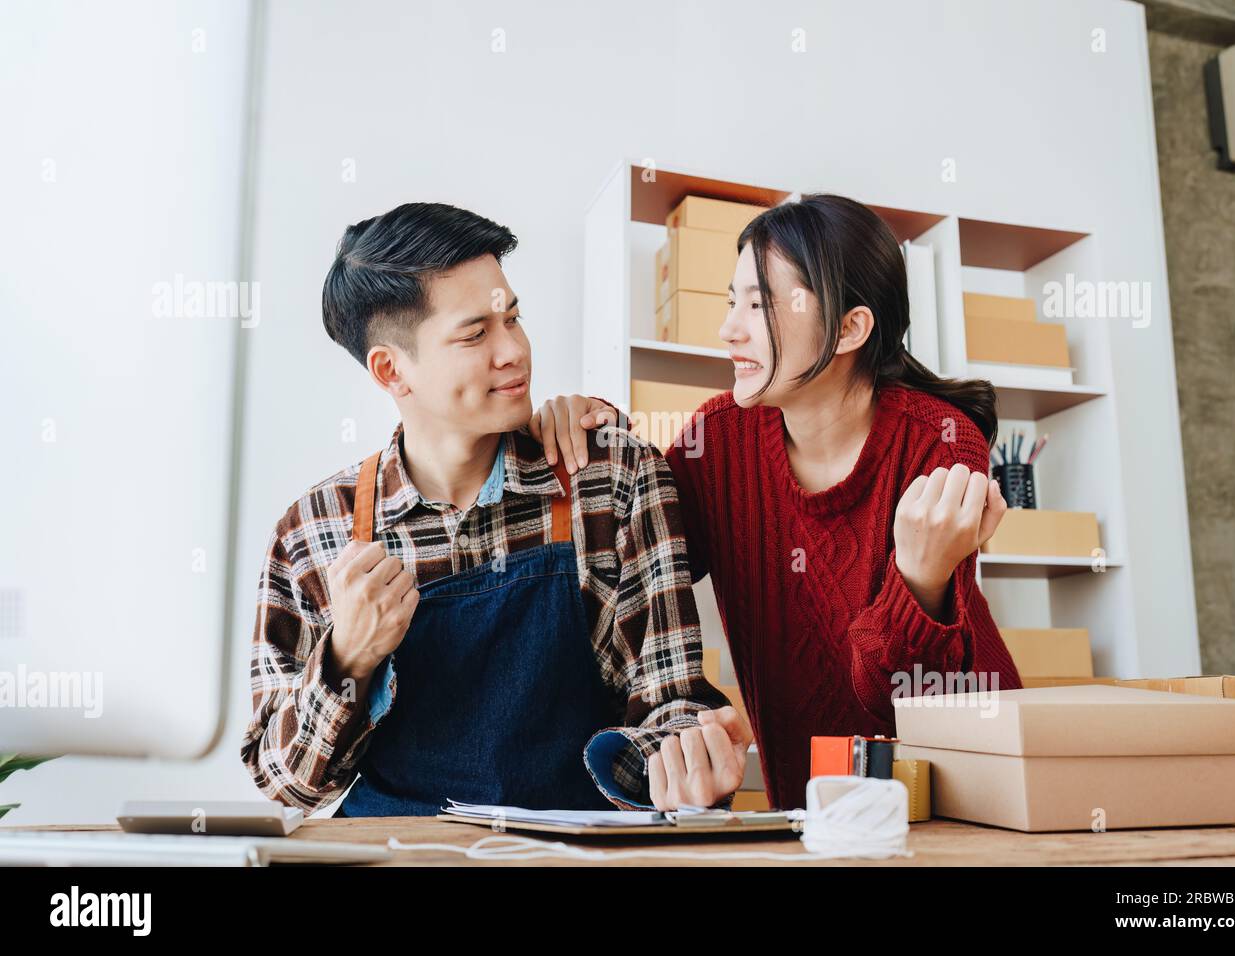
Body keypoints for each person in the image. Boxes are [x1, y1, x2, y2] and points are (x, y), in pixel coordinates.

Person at [240, 202, 750, 816]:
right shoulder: (313, 532)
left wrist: (678, 765)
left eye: (513, 317)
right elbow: (287, 785)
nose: (514, 351)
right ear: (391, 369)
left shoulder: (610, 476)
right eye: (475, 333)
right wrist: (347, 657)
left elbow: (671, 699)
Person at [532, 194, 1024, 810]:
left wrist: (920, 580)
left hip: (966, 788)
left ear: (849, 327)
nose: (729, 329)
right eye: (731, 301)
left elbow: (894, 698)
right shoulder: (722, 442)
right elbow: (640, 536)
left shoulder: (941, 443)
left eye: (759, 305)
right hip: (808, 802)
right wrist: (592, 427)